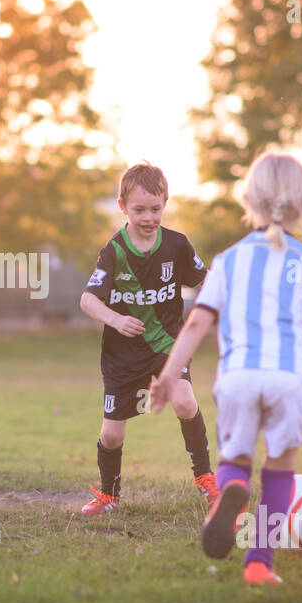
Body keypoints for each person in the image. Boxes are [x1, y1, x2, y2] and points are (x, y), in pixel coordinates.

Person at [150, 152, 302, 584]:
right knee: (279, 469)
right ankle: (260, 564)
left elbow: (197, 323)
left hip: (239, 376)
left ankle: (230, 492)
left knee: (235, 460)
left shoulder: (227, 261)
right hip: (289, 379)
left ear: (250, 200)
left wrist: (169, 376)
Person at [78, 162, 217, 515]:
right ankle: (109, 495)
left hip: (167, 343)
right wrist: (115, 318)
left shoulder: (176, 245)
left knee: (184, 400)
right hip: (122, 354)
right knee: (112, 435)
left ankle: (206, 479)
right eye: (139, 209)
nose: (148, 217)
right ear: (123, 206)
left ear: (165, 203)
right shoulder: (114, 251)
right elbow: (87, 299)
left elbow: (207, 280)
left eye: (156, 209)